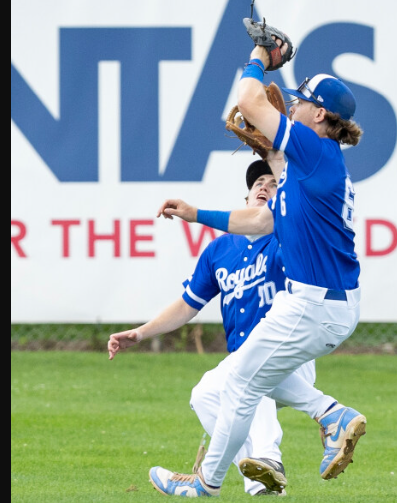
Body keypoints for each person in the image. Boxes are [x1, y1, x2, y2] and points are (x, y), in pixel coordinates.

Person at [149, 35, 367, 499]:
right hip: (325, 304)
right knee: (237, 381)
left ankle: (206, 485)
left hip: (313, 305)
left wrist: (259, 57)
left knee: (241, 385)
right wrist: (195, 214)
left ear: (320, 115)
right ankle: (330, 415)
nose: (293, 106)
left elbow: (249, 98)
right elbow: (262, 218)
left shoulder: (313, 151)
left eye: (302, 102)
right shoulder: (307, 169)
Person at [108, 154, 314, 496]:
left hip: (292, 350)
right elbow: (188, 305)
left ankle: (268, 458)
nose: (264, 186)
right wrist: (141, 332)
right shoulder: (220, 250)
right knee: (204, 395)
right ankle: (261, 483)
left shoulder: (287, 234)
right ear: (245, 202)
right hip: (247, 356)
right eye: (257, 184)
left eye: (273, 183)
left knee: (252, 374)